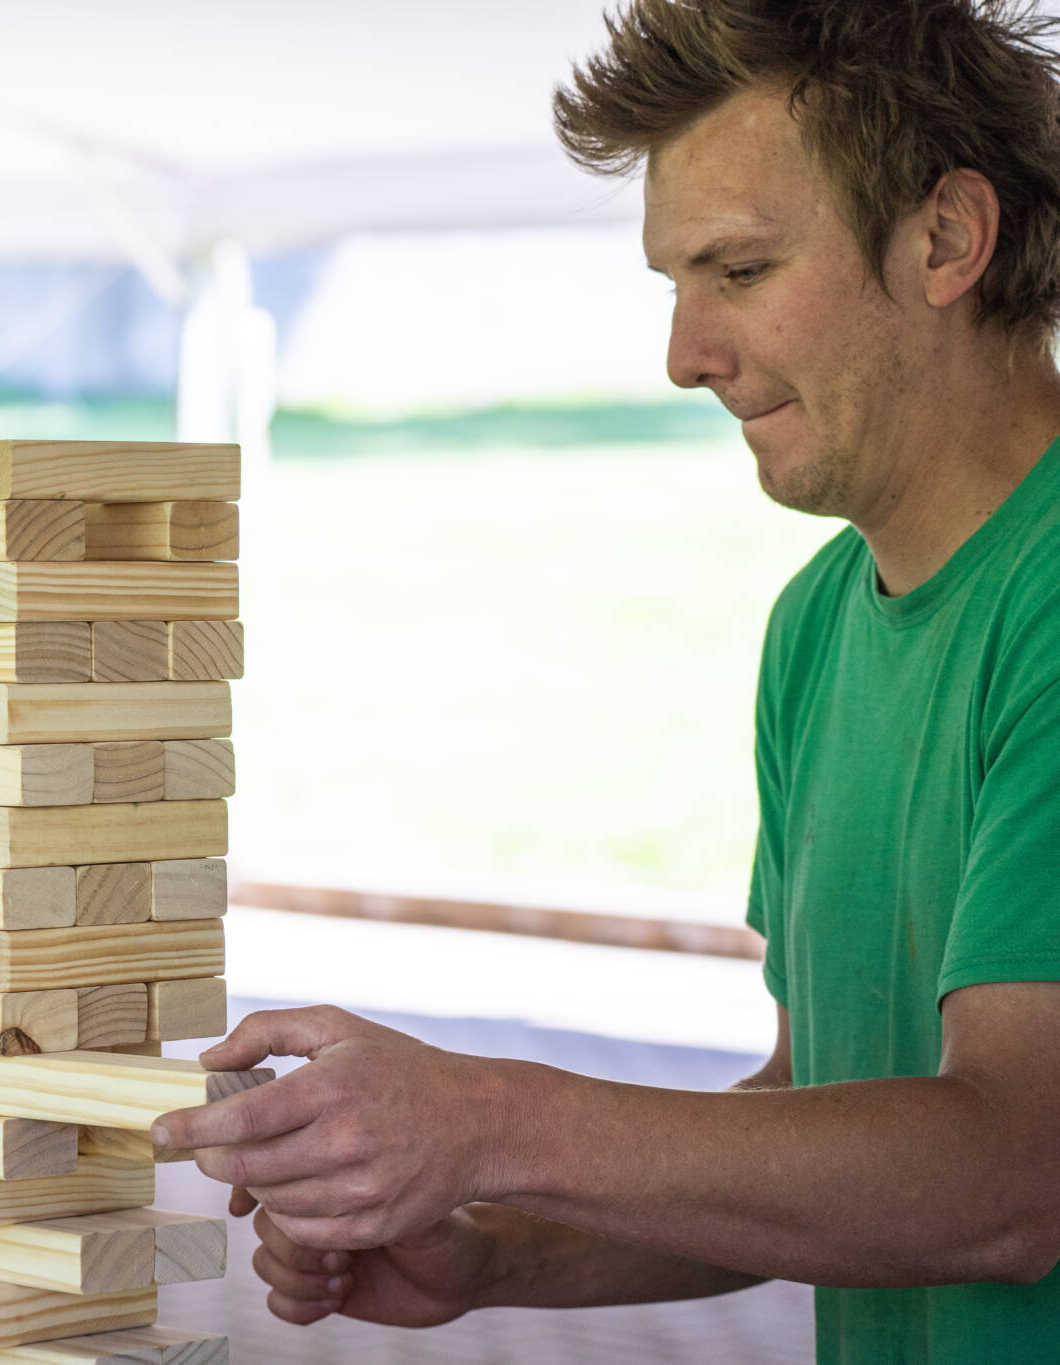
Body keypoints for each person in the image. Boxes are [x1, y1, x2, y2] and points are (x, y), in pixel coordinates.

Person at [154, 3, 1060, 1361]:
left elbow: (1010, 1176)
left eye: (739, 270)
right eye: (674, 286)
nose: (685, 354)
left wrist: (489, 1117)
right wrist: (489, 1249)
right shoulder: (815, 628)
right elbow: (810, 1123)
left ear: (947, 239)